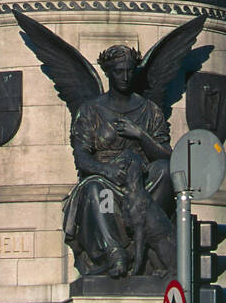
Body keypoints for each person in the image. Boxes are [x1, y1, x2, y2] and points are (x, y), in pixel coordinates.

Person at [63, 46, 174, 278]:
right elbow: (81, 156)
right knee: (94, 189)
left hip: (141, 182)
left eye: (129, 71)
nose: (124, 77)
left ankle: (149, 239)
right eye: (118, 71)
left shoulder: (150, 111)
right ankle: (115, 253)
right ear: (108, 73)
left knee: (164, 171)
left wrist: (141, 135)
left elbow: (166, 154)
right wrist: (107, 170)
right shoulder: (91, 110)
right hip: (104, 179)